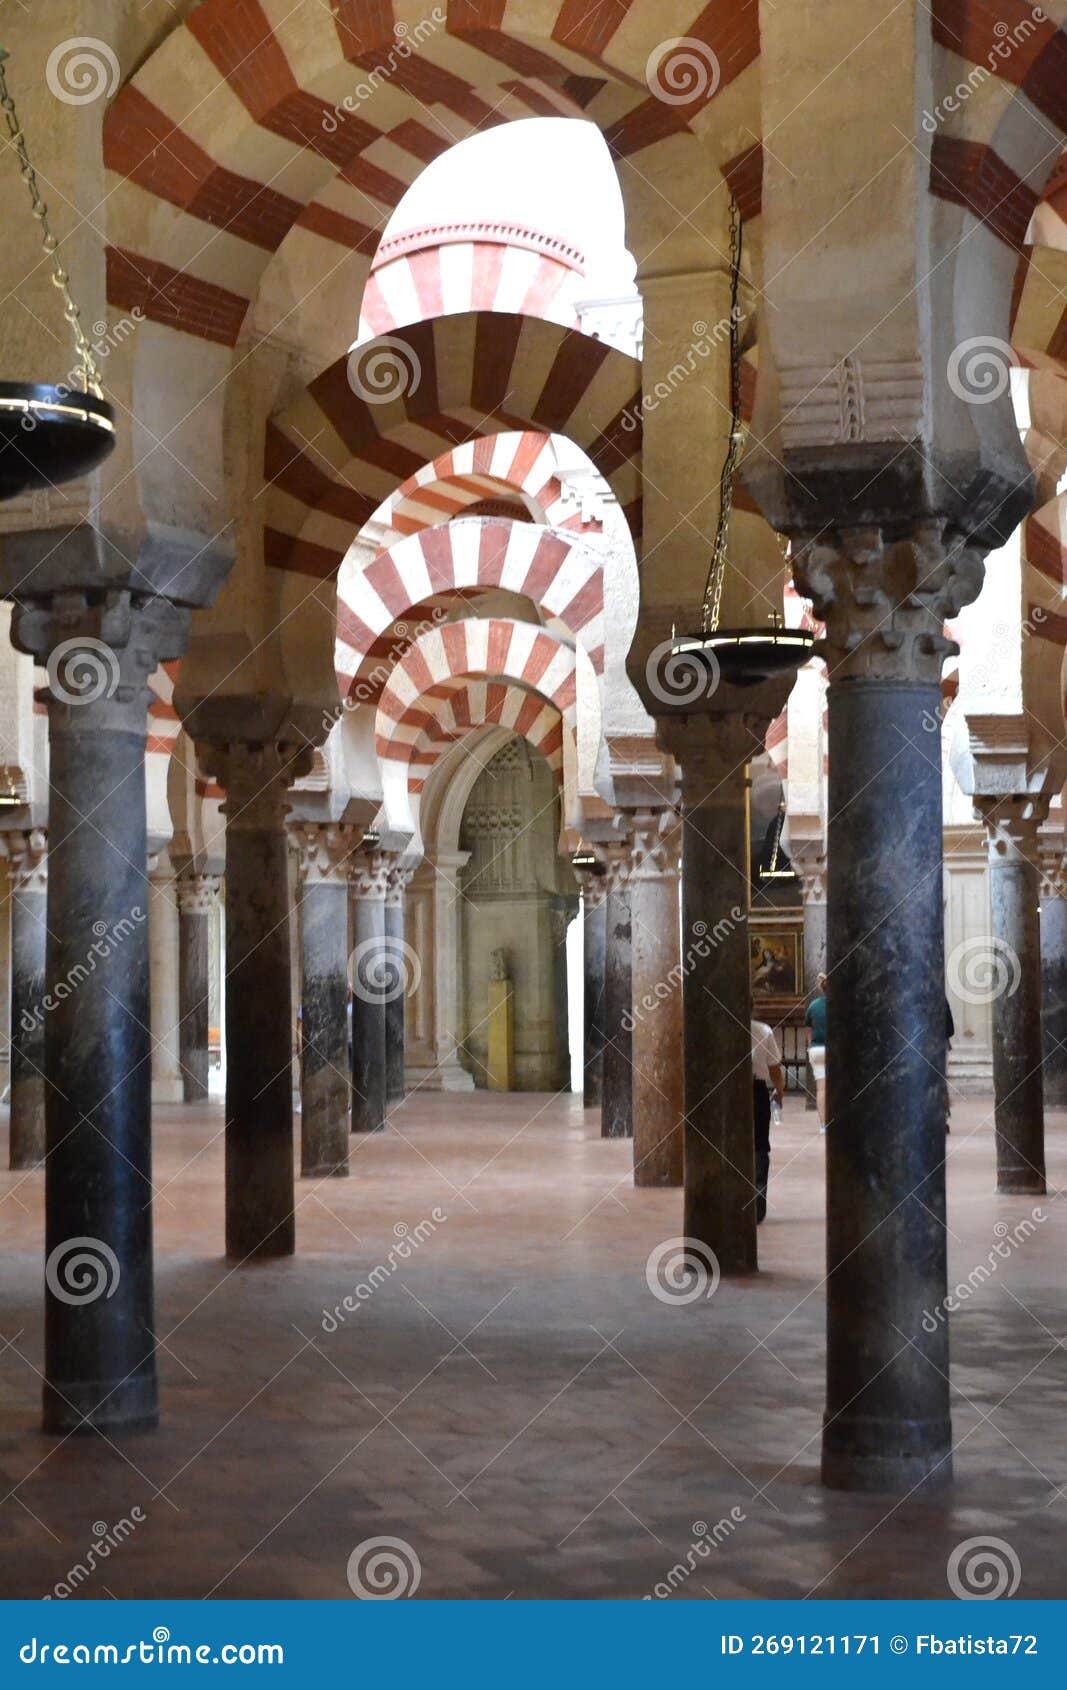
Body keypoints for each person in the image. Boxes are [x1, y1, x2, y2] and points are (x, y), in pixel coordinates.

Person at [751, 1017, 785, 1224]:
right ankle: (757, 1205)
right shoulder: (763, 1030)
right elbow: (774, 1067)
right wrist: (779, 1091)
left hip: (725, 1091)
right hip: (756, 1091)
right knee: (759, 1145)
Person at [806, 973, 827, 1131]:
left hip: (816, 1049)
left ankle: (823, 1125)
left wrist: (809, 1047)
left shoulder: (813, 1005)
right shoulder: (840, 1004)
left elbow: (808, 1029)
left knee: (821, 1089)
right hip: (833, 1050)